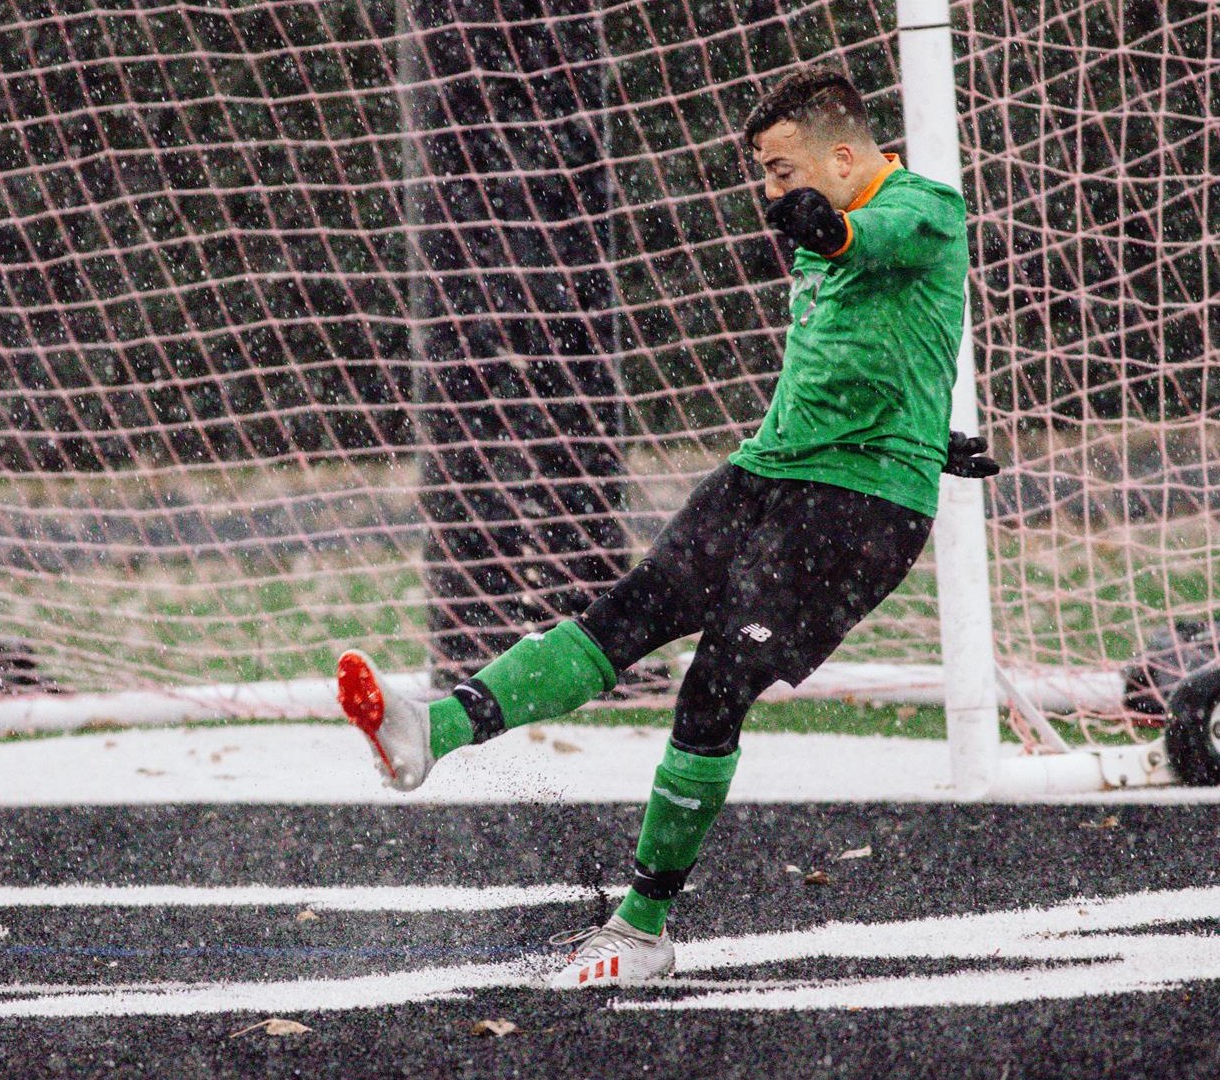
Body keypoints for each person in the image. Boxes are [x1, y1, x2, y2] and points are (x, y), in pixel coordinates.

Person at [335, 64, 998, 990]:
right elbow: (874, 348)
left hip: (859, 507)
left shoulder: (922, 207)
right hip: (767, 472)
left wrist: (834, 227)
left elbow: (873, 239)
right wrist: (933, 429)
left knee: (715, 680)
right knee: (630, 613)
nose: (772, 193)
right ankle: (430, 731)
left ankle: (642, 927)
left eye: (780, 172)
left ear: (844, 157)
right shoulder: (824, 226)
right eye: (765, 177)